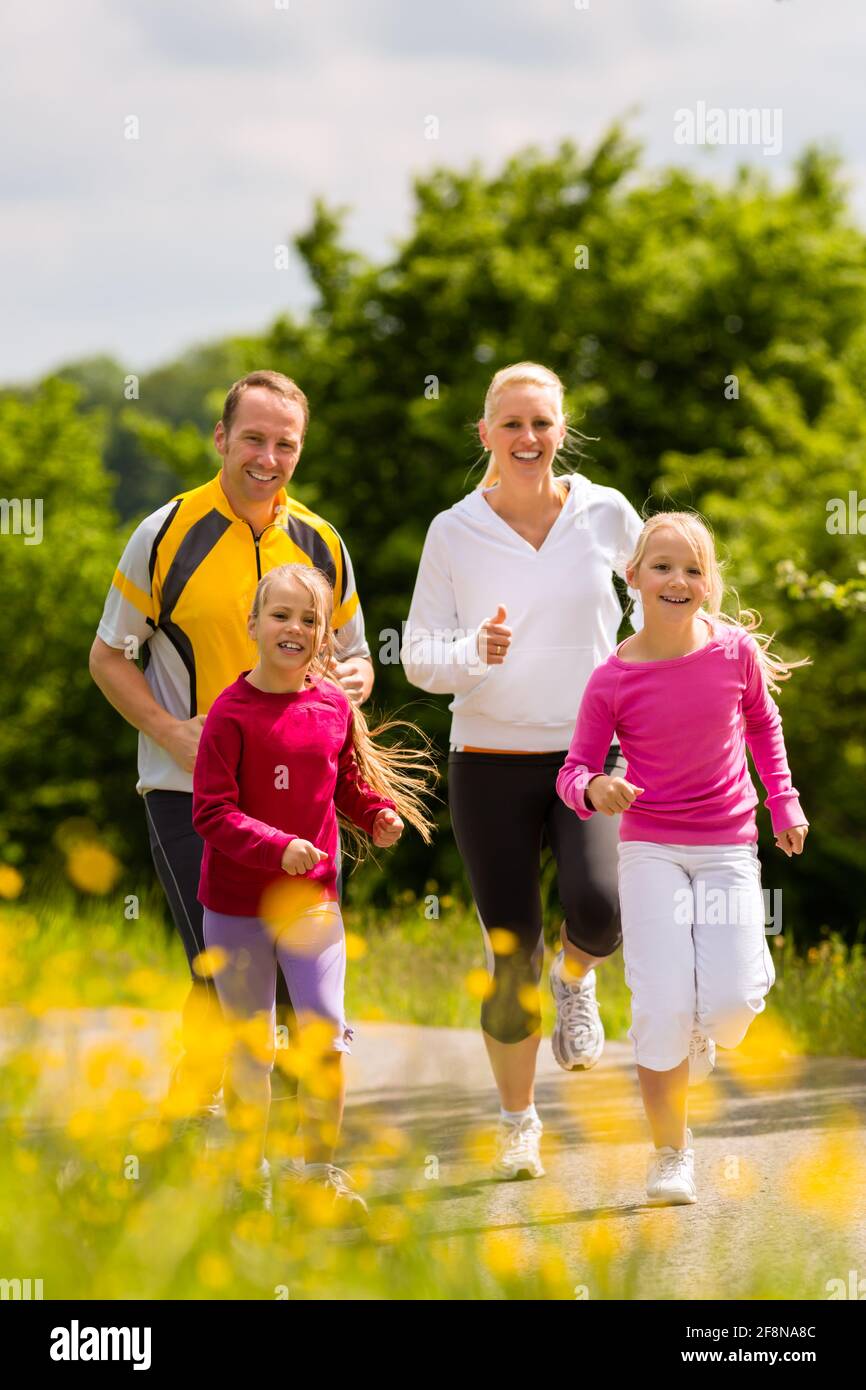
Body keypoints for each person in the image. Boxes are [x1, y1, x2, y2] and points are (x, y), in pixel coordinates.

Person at [89, 370, 375, 1121]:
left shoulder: (320, 541)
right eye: (253, 438)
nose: (267, 457)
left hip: (299, 797)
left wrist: (352, 681)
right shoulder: (165, 533)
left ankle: (242, 1143)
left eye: (285, 443)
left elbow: (358, 658)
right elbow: (108, 656)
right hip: (191, 792)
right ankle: (211, 1131)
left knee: (282, 976)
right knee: (221, 961)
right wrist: (168, 729)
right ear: (221, 438)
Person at [401, 361, 644, 1180]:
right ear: (485, 434)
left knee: (601, 908)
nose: (528, 439)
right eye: (512, 424)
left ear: (562, 430)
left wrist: (671, 666)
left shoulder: (605, 513)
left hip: (592, 750)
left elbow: (666, 590)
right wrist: (474, 654)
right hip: (491, 761)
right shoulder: (453, 531)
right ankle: (518, 1122)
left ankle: (579, 982)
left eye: (542, 423)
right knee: (513, 953)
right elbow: (419, 658)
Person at [557, 511, 808, 1206]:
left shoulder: (734, 654)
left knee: (730, 1006)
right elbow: (573, 771)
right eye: (662, 566)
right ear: (632, 577)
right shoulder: (611, 678)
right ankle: (671, 1154)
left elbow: (763, 723)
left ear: (709, 586)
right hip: (650, 849)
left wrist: (782, 802)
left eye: (694, 568)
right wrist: (596, 788)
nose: (678, 579)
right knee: (661, 1005)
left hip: (728, 844)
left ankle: (710, 1020)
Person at [193, 562, 435, 1213]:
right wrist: (279, 847)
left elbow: (345, 782)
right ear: (253, 625)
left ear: (325, 636)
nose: (294, 628)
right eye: (281, 615)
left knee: (323, 1039)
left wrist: (376, 812)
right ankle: (247, 1181)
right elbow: (210, 814)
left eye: (309, 619)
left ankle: (316, 1176)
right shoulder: (229, 713)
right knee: (253, 1051)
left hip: (314, 903)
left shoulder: (330, 706)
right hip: (238, 907)